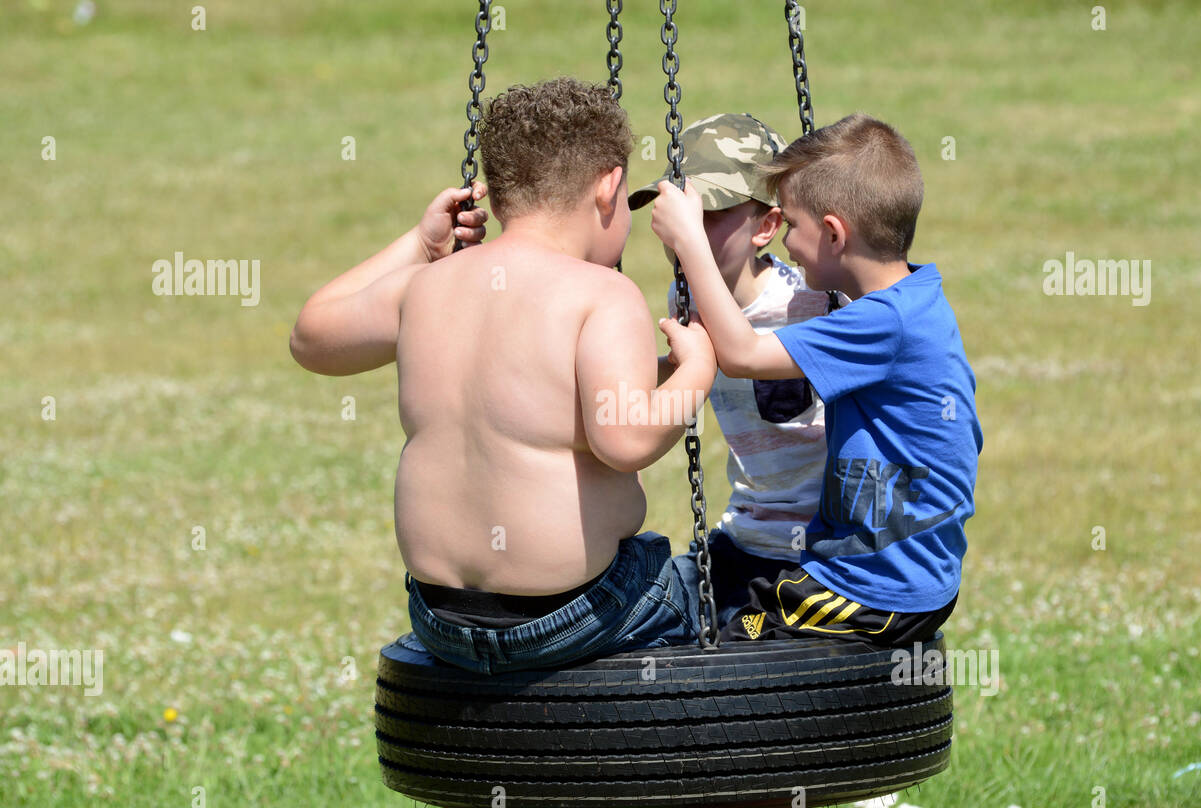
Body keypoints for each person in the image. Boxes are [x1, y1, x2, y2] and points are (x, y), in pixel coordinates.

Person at [290, 77, 717, 674]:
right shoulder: (603, 294)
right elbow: (626, 439)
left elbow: (312, 337)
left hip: (438, 616)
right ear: (609, 187)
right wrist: (696, 370)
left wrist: (418, 245)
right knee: (703, 583)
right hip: (568, 616)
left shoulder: (428, 287)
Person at [651, 113, 982, 648]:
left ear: (832, 233)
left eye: (795, 228)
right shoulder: (905, 304)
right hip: (878, 568)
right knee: (709, 609)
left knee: (734, 644)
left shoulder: (881, 322)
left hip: (876, 585)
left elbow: (740, 353)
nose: (788, 243)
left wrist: (690, 242)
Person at [628, 112, 847, 630]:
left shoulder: (811, 302)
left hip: (812, 555)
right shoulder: (684, 300)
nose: (685, 233)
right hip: (742, 537)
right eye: (678, 210)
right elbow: (686, 380)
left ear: (768, 226)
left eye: (709, 213)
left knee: (746, 659)